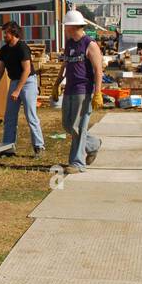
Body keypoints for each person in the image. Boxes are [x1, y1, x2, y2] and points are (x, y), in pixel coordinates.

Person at [56, 9, 104, 173]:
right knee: (68, 125)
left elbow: (98, 70)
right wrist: (56, 84)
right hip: (69, 89)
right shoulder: (70, 43)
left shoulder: (90, 44)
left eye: (66, 26)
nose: (65, 29)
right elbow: (65, 64)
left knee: (78, 126)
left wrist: (98, 93)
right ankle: (93, 144)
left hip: (83, 90)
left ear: (72, 26)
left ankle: (77, 163)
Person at [0, 20, 44, 156]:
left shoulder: (22, 47)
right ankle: (8, 146)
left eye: (5, 33)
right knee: (10, 116)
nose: (3, 36)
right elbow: (1, 70)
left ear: (13, 33)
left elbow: (26, 70)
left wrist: (18, 90)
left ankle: (39, 146)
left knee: (31, 115)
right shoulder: (5, 49)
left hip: (28, 82)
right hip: (14, 82)